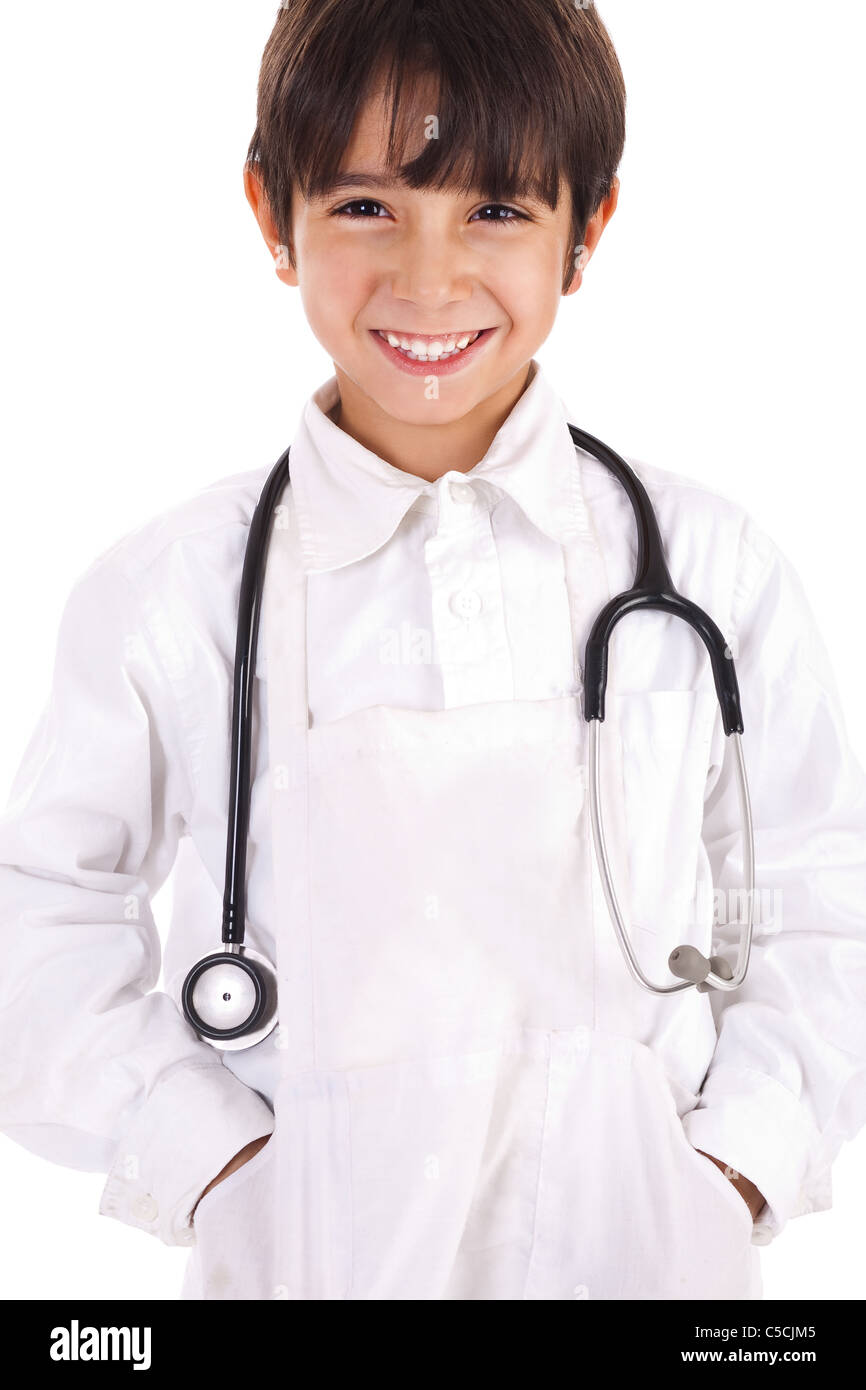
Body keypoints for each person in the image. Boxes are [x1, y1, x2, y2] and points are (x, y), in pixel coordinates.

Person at [2, 0, 866, 1302]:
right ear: (268, 210)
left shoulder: (710, 571)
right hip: (308, 1271)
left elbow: (821, 894)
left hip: (643, 1272)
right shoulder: (171, 590)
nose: (424, 275)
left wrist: (736, 1163)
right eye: (363, 208)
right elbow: (41, 913)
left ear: (589, 231)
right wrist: (213, 1164)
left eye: (497, 211)